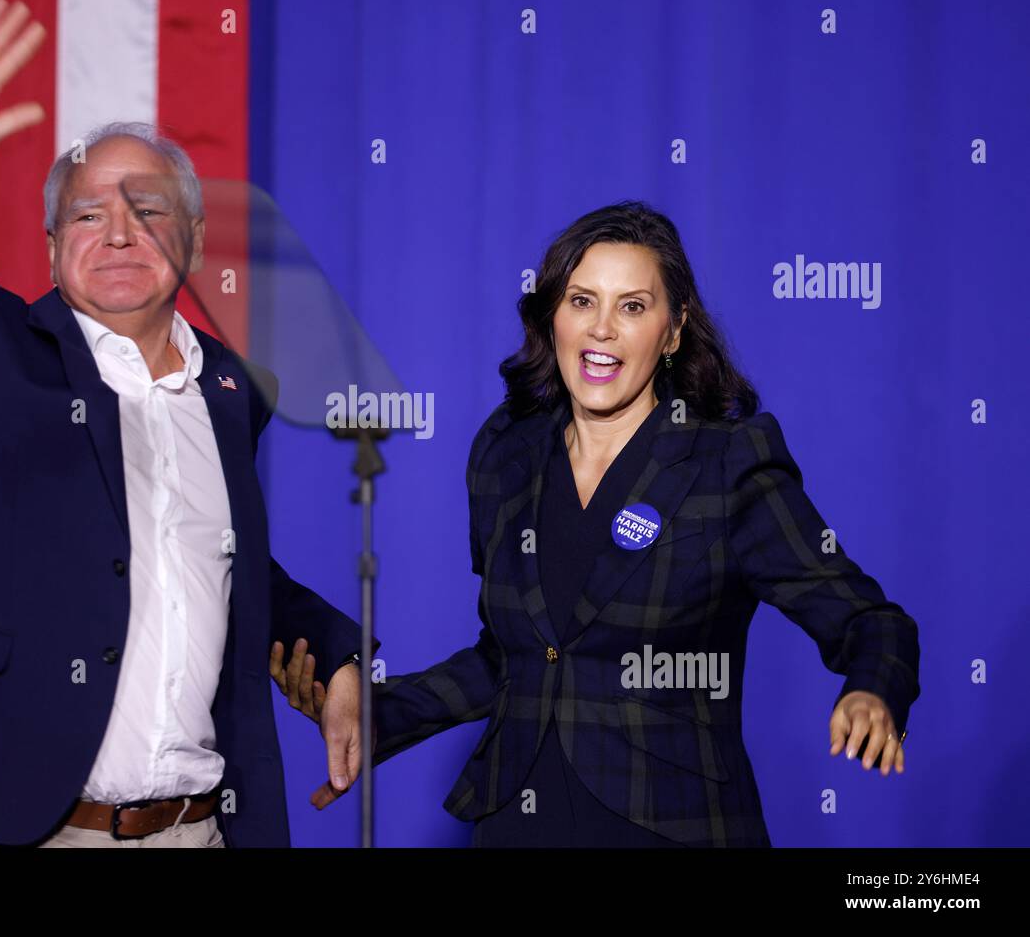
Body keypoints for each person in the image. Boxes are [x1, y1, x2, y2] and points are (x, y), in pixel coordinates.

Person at [0, 0, 367, 848]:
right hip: (11, 830)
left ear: (193, 238)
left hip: (196, 830)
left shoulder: (230, 390)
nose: (118, 233)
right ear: (49, 245)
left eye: (147, 210)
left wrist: (335, 653)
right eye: (87, 213)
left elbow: (206, 563)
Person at [274, 201, 921, 847]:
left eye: (632, 306)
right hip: (518, 824)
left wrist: (873, 689)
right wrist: (377, 713)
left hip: (674, 829)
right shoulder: (506, 452)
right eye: (582, 301)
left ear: (673, 331)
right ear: (552, 315)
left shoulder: (727, 463)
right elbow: (513, 659)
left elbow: (871, 621)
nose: (602, 329)